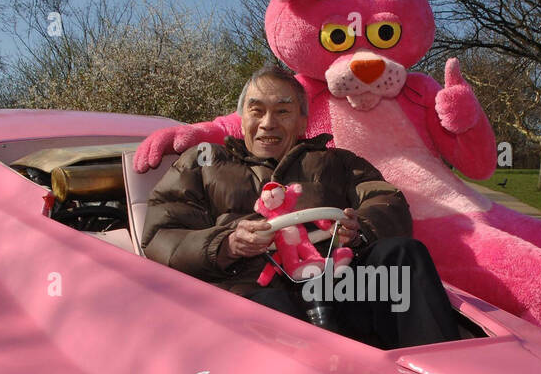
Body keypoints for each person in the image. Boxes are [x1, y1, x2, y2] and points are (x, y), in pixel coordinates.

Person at [142, 65, 461, 348]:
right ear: (242, 118)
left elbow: (386, 200)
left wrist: (360, 228)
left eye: (282, 111)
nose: (268, 123)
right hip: (252, 291)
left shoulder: (337, 161)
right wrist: (226, 244)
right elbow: (161, 235)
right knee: (272, 307)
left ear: (302, 121)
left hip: (340, 286)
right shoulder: (203, 162)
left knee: (402, 254)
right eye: (257, 110)